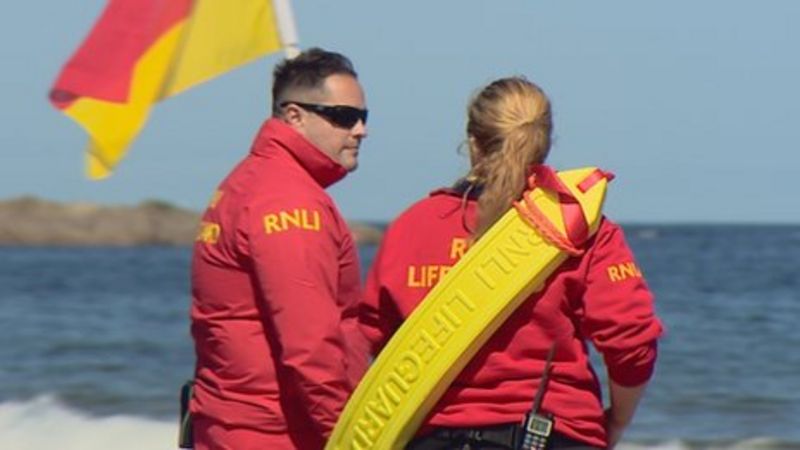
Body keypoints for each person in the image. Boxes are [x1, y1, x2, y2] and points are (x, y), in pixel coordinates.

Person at [360, 77, 663, 450]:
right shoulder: (582, 230)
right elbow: (633, 340)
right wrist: (617, 420)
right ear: (546, 143)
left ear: (472, 141)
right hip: (551, 433)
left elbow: (370, 343)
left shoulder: (413, 227)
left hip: (433, 437)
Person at [189, 47, 370, 450]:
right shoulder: (288, 200)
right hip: (275, 434)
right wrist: (346, 441)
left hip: (226, 426)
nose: (359, 130)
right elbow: (310, 349)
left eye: (363, 117)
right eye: (343, 117)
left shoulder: (249, 180)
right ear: (294, 116)